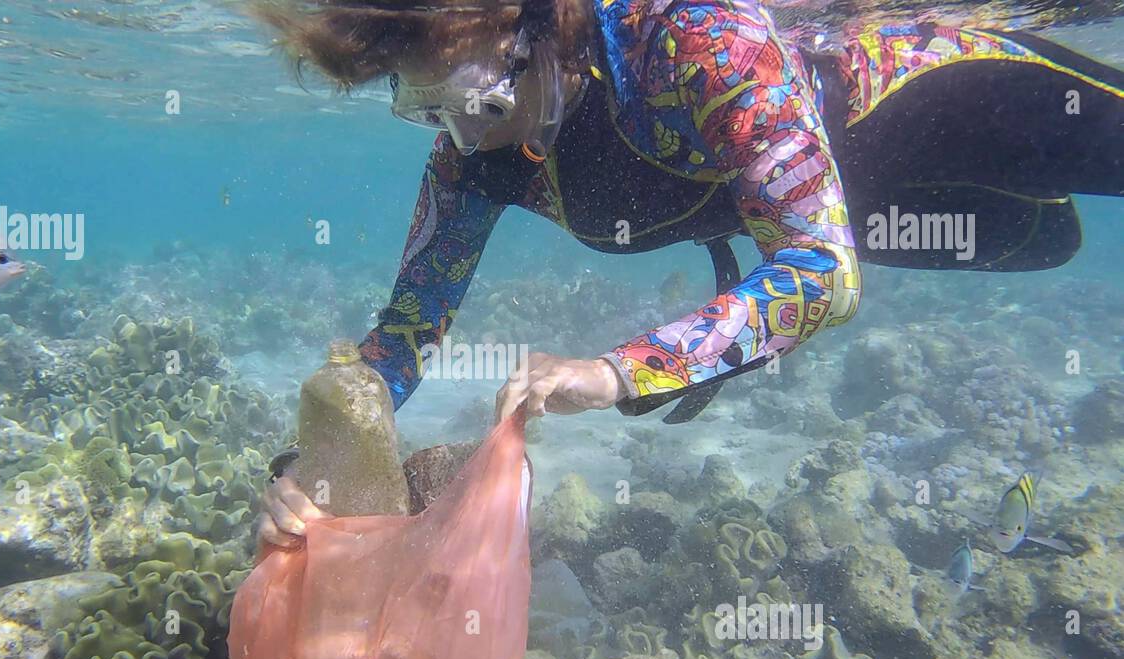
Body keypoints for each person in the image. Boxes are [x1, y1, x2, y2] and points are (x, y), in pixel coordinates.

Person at [252, 0, 1124, 546]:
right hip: (874, 204)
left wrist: (614, 372)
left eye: (468, 95)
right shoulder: (471, 157)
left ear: (525, 30)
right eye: (422, 106)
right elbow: (404, 335)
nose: (459, 130)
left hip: (940, 98)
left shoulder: (685, 36)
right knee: (1047, 240)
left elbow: (821, 269)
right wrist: (320, 464)